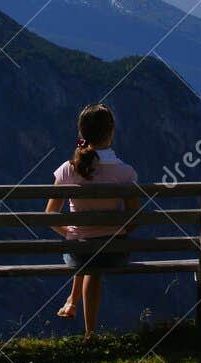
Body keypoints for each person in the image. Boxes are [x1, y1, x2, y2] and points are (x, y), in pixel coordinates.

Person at [47, 103, 140, 337]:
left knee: (86, 248)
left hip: (78, 251)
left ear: (81, 133)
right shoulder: (125, 173)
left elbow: (49, 216)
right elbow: (133, 219)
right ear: (111, 132)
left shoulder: (67, 170)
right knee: (95, 255)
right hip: (115, 251)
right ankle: (89, 331)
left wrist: (71, 232)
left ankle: (77, 309)